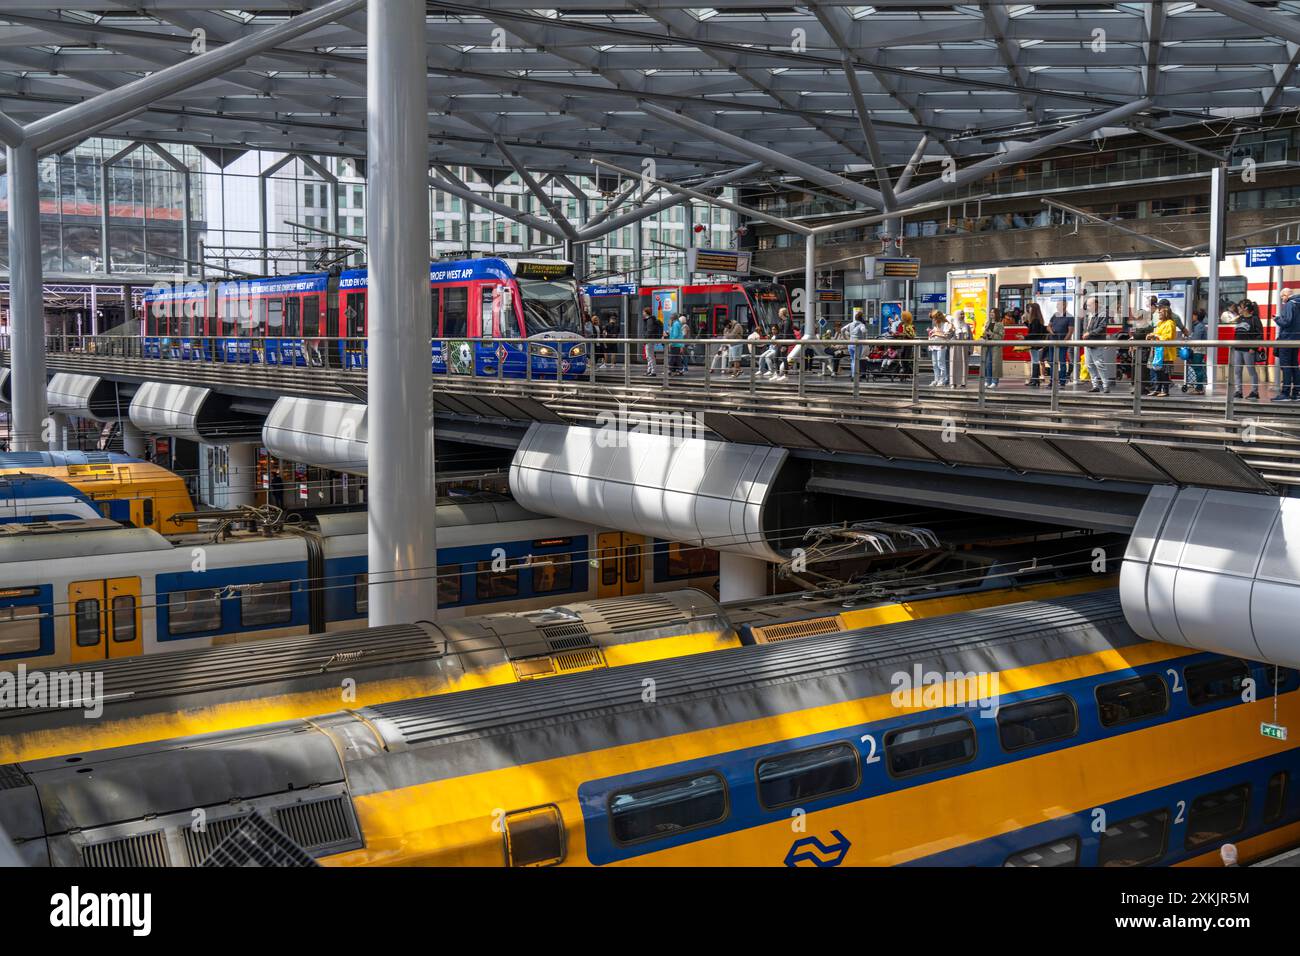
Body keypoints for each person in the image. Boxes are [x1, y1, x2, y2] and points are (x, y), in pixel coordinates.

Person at [1232, 299, 1263, 400]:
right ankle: (1238, 391)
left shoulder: (1255, 319)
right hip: (1238, 349)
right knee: (1237, 371)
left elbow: (1259, 335)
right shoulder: (1240, 318)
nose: (1238, 308)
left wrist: (1253, 347)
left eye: (1240, 306)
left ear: (1245, 308)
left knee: (1251, 371)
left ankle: (1255, 392)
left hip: (1249, 350)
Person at [1146, 302, 1178, 397]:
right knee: (1157, 371)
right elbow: (1158, 334)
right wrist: (1151, 336)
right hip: (1159, 351)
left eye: (1160, 312)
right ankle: (1157, 389)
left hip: (1166, 352)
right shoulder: (1160, 323)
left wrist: (1155, 335)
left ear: (1166, 313)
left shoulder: (1170, 323)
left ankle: (1165, 390)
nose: (1158, 314)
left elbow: (1167, 337)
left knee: (1164, 372)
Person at [1081, 302, 1112, 394]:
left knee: (1099, 364)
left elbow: (1102, 327)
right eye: (1087, 305)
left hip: (1096, 342)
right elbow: (1085, 327)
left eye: (1089, 305)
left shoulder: (1102, 314)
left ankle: (1106, 386)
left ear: (1096, 305)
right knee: (1089, 364)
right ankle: (1095, 386)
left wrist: (1089, 333)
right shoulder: (1088, 315)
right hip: (1087, 342)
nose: (1087, 307)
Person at [1274, 288, 1299, 401]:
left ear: (1287, 295)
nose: (1282, 300)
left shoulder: (1290, 304)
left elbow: (1287, 321)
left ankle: (1285, 393)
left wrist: (1277, 319)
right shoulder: (1298, 303)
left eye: (1282, 297)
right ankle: (1297, 392)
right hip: (1296, 339)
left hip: (1287, 339)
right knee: (1294, 365)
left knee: (1286, 366)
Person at [1183, 308, 1207, 395]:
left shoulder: (1199, 326)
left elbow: (1195, 339)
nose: (1191, 317)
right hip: (1197, 350)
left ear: (1196, 316)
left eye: (1193, 315)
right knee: (1197, 368)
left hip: (1198, 351)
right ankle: (1199, 387)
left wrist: (1186, 338)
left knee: (1197, 368)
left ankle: (1199, 388)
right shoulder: (1198, 325)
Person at [1048, 299, 1073, 384]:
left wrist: (1064, 341)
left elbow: (1070, 331)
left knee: (1062, 362)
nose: (1057, 306)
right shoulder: (1055, 315)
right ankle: (1052, 381)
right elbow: (1048, 326)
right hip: (1052, 342)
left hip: (1062, 343)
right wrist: (1051, 332)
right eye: (1057, 305)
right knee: (1051, 361)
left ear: (1064, 306)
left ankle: (1062, 381)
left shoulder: (1070, 317)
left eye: (1058, 305)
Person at [1024, 302, 1048, 387]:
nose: (1028, 310)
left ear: (1033, 310)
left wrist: (1024, 338)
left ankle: (1034, 379)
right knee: (1035, 360)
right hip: (1037, 343)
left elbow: (1033, 333)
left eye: (1030, 308)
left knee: (1034, 360)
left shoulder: (1035, 320)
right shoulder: (1039, 319)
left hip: (1034, 343)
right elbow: (1035, 330)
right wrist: (1026, 322)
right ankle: (1034, 379)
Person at [981, 308, 1005, 388]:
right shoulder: (988, 323)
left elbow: (1001, 336)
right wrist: (984, 335)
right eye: (990, 312)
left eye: (993, 312)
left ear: (997, 314)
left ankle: (995, 381)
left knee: (995, 365)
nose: (991, 314)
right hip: (987, 346)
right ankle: (988, 381)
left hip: (995, 347)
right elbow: (986, 333)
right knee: (988, 364)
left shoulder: (1000, 324)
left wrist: (991, 334)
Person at [927, 310, 952, 386]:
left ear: (938, 317)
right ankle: (936, 379)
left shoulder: (946, 324)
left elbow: (946, 335)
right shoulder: (936, 325)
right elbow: (935, 334)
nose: (933, 320)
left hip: (941, 345)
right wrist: (931, 333)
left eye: (934, 318)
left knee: (940, 363)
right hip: (934, 345)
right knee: (934, 364)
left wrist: (935, 333)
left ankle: (943, 379)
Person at [950, 310, 973, 387]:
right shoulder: (952, 325)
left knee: (964, 365)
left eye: (963, 314)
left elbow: (970, 338)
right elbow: (948, 337)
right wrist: (951, 331)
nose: (962, 316)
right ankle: (953, 382)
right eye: (961, 314)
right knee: (954, 364)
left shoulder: (967, 326)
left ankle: (963, 383)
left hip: (964, 347)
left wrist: (970, 349)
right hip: (955, 348)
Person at [846, 309, 868, 379]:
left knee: (853, 360)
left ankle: (853, 375)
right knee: (857, 360)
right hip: (858, 344)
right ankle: (855, 376)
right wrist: (863, 339)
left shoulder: (850, 324)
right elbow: (864, 331)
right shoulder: (861, 324)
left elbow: (842, 330)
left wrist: (846, 338)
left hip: (850, 343)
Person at [641, 307, 661, 375]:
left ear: (646, 312)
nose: (642, 313)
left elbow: (649, 331)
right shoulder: (649, 320)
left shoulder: (650, 320)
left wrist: (645, 339)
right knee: (648, 356)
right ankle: (649, 370)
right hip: (648, 340)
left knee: (650, 356)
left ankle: (653, 371)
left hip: (649, 340)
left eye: (643, 312)